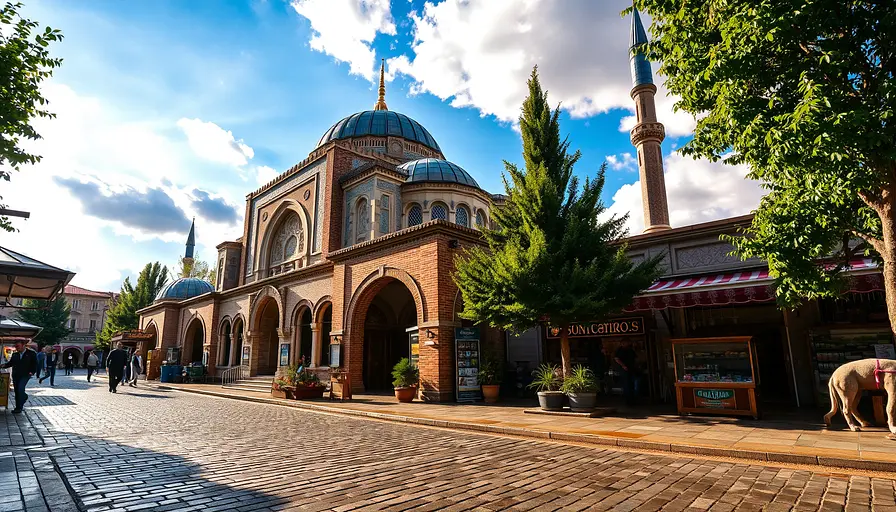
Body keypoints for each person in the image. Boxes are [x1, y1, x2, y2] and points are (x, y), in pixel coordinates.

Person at [1, 340, 38, 413]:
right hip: (16, 375)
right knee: (17, 391)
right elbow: (10, 363)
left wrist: (32, 372)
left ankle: (24, 397)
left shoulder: (31, 353)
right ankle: (18, 407)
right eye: (15, 346)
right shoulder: (15, 354)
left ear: (23, 345)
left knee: (20, 388)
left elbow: (35, 364)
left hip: (25, 375)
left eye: (18, 346)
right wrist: (3, 366)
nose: (16, 348)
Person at [614, 341, 640, 406]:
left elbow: (636, 358)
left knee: (631, 385)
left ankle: (632, 400)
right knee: (627, 385)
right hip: (624, 370)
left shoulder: (630, 350)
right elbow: (617, 358)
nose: (628, 343)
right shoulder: (620, 350)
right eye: (626, 342)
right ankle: (629, 401)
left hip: (631, 369)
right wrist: (623, 366)